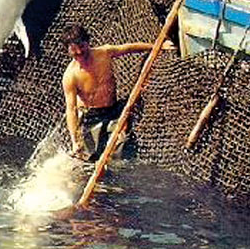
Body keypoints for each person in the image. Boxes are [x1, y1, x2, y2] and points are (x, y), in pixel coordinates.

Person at [61, 24, 173, 162]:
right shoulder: (70, 76)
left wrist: (157, 46)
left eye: (82, 48)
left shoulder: (104, 53)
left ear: (87, 42)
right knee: (88, 158)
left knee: (119, 148)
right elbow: (71, 110)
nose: (79, 53)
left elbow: (129, 48)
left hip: (112, 109)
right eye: (74, 51)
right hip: (90, 116)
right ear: (68, 51)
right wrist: (74, 140)